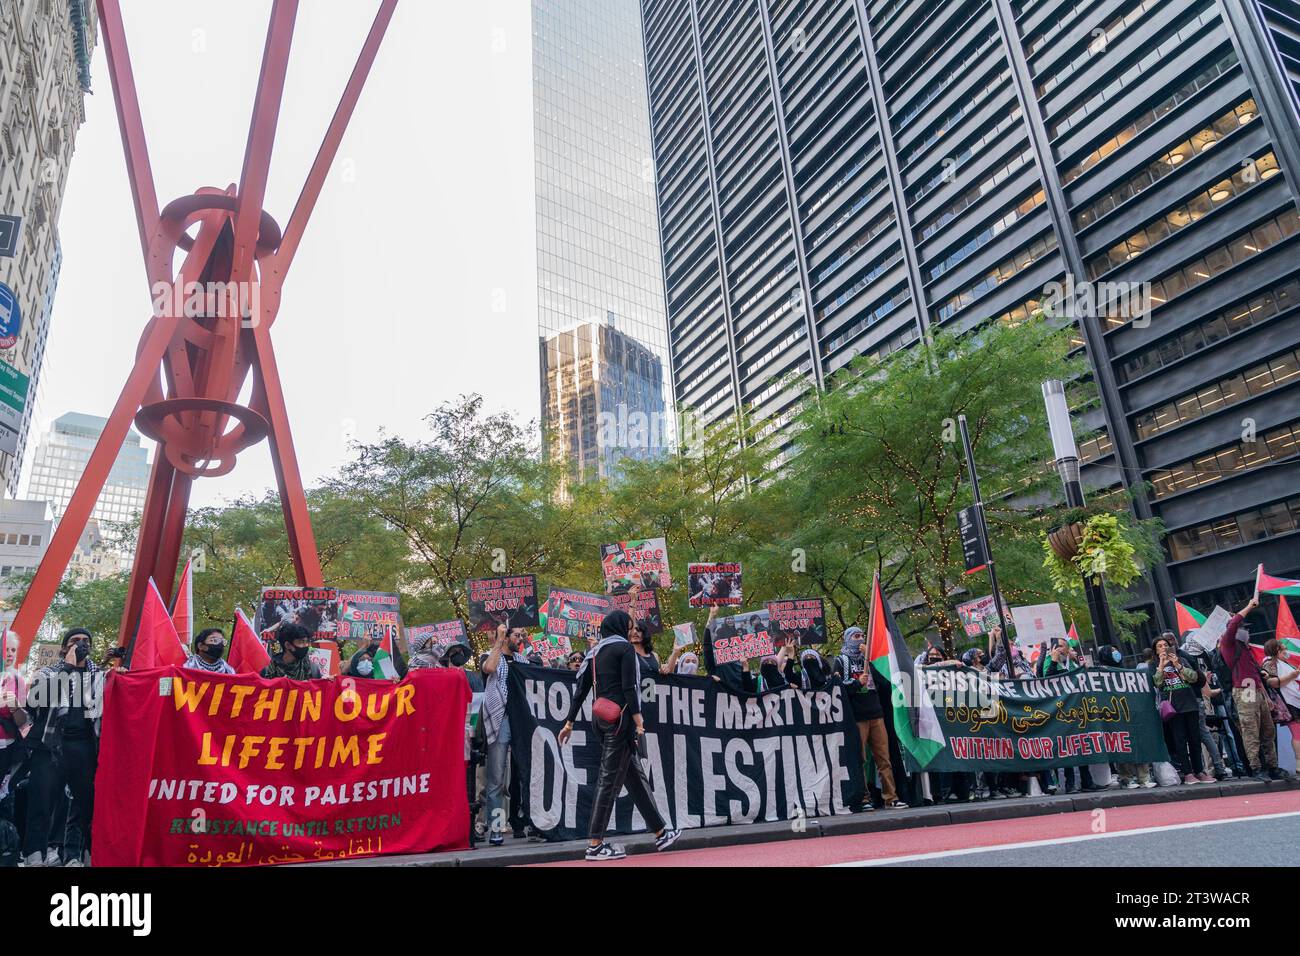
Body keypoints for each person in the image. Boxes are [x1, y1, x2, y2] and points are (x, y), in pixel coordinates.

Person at [558, 610, 680, 861]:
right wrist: (638, 720)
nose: (630, 630)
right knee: (608, 782)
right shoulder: (625, 650)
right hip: (620, 721)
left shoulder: (594, 653)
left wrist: (569, 722)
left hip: (600, 719)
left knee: (634, 777)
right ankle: (595, 844)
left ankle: (660, 832)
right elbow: (629, 687)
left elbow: (581, 689)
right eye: (629, 625)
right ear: (620, 626)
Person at [21, 628, 102, 867]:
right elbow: (36, 701)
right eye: (75, 641)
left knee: (82, 803)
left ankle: (73, 855)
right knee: (42, 801)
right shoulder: (46, 673)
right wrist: (67, 669)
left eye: (86, 641)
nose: (81, 644)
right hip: (50, 746)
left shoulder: (98, 675)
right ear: (65, 647)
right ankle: (35, 854)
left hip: (84, 746)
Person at [1217, 595, 1291, 780]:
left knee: (1268, 729)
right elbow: (1233, 624)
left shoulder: (1245, 648)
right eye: (1243, 629)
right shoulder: (1228, 644)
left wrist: (1264, 690)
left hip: (1255, 689)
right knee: (1251, 730)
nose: (1245, 631)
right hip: (1245, 690)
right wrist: (1249, 606)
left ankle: (1272, 767)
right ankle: (1257, 768)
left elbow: (1255, 675)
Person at [839, 626, 905, 810]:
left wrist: (871, 658)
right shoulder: (842, 660)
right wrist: (855, 682)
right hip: (857, 717)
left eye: (862, 636)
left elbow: (883, 681)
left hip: (876, 714)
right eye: (855, 636)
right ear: (847, 639)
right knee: (860, 759)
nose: (860, 639)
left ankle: (890, 797)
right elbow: (839, 688)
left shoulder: (872, 659)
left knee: (883, 759)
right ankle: (864, 798)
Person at [481, 623, 527, 846]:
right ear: (506, 636)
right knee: (497, 779)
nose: (521, 638)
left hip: (522, 723)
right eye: (517, 634)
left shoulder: (523, 662)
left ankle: (529, 823)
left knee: (527, 775)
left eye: (522, 635)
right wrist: (498, 640)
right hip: (501, 722)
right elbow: (489, 668)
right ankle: (496, 828)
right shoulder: (494, 658)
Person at [1153, 632, 1210, 784]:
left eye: (1165, 645)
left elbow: (1194, 677)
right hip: (1173, 707)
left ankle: (1199, 770)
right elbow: (1157, 683)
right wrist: (1161, 666)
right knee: (1180, 740)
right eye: (1160, 646)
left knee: (1195, 739)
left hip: (1189, 703)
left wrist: (1178, 664)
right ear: (1156, 651)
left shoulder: (1182, 660)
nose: (1164, 648)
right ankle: (1187, 773)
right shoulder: (1155, 665)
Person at [1261, 639, 1300, 768]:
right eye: (1284, 649)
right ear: (1277, 650)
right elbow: (1271, 682)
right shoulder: (1269, 664)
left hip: (1295, 699)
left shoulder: (1284, 663)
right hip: (1288, 703)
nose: (1286, 652)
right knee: (1297, 733)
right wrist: (1292, 675)